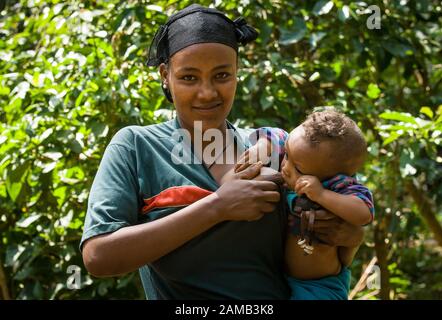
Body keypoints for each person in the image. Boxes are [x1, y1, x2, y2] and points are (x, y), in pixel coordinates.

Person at [80, 4, 364, 299]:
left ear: (237, 72)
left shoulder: (276, 150)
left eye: (222, 76)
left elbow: (332, 240)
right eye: (189, 77)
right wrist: (218, 206)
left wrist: (348, 236)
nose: (207, 93)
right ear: (165, 75)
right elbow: (98, 257)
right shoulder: (137, 147)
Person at [235, 110, 374, 299]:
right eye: (287, 155)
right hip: (279, 278)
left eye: (297, 168)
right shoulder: (300, 156)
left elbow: (363, 213)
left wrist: (322, 194)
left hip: (319, 285)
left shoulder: (338, 186)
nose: (285, 166)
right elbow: (277, 134)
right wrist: (262, 148)